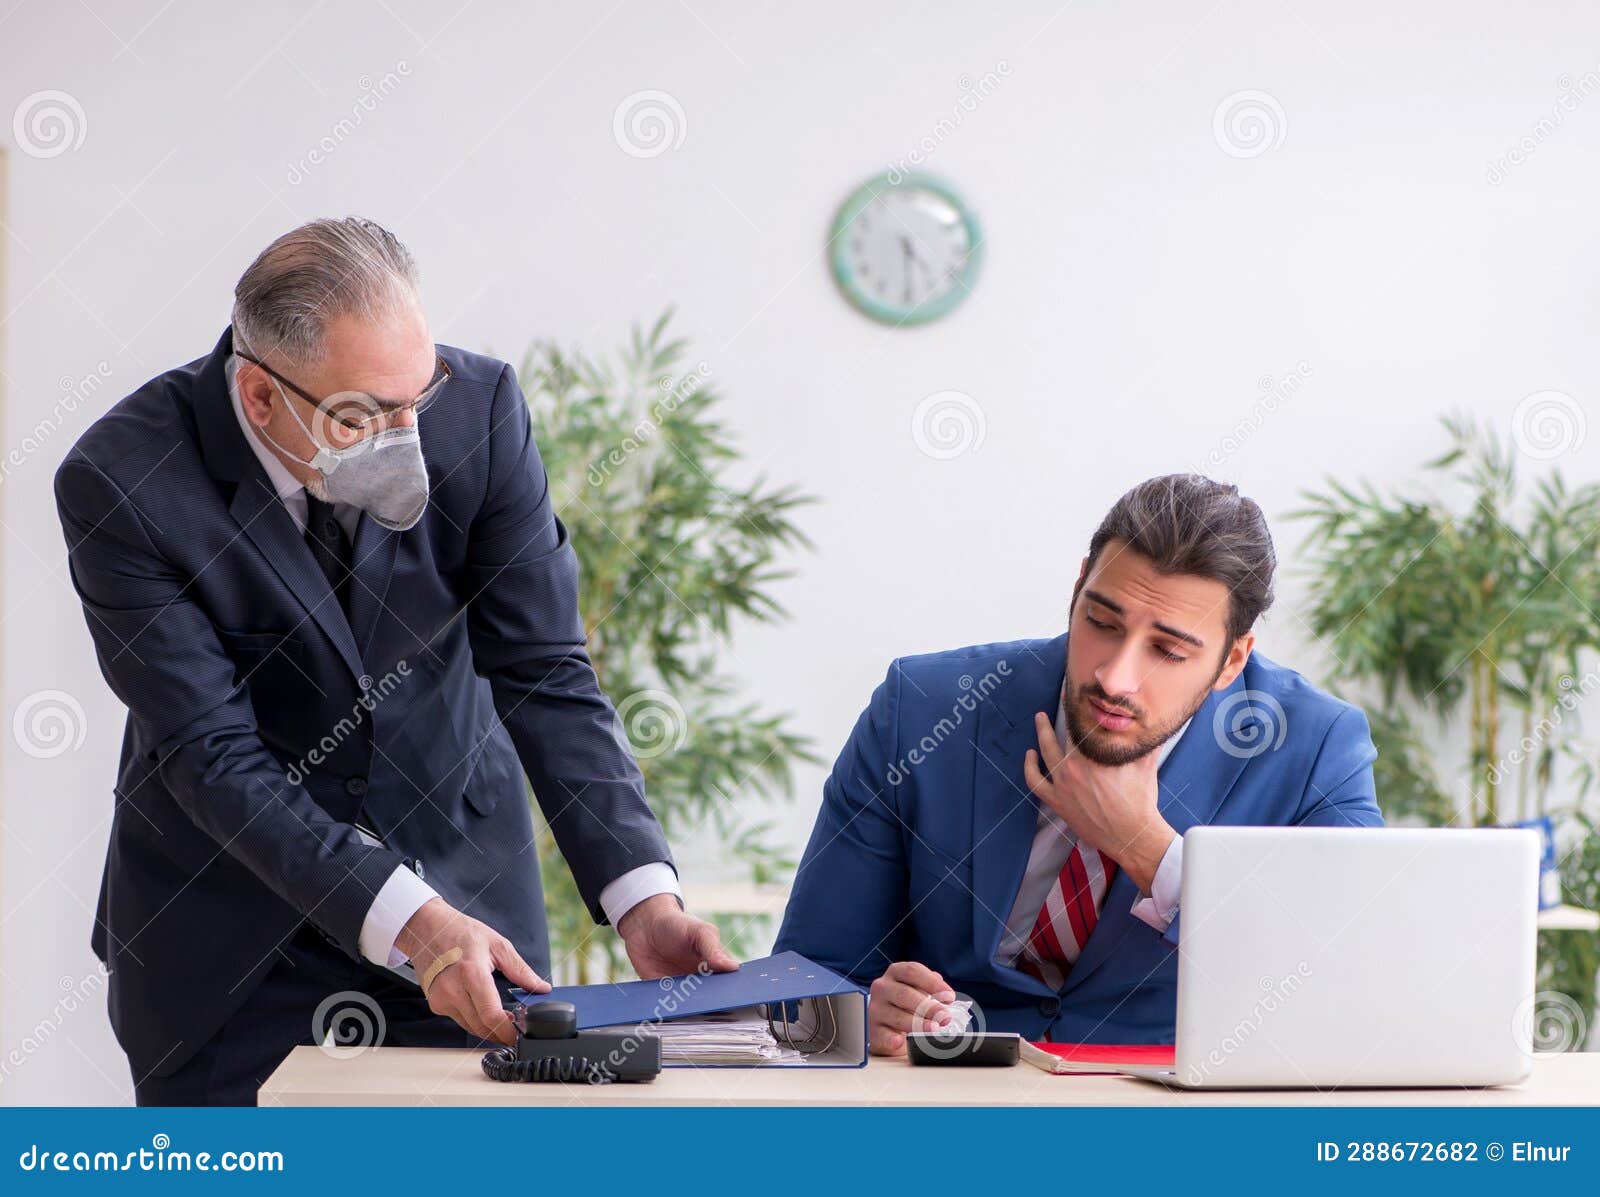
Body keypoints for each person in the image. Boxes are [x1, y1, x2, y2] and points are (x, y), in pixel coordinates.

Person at [55, 217, 734, 1105]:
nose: (409, 435)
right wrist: (409, 919)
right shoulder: (126, 481)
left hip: (470, 911)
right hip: (233, 935)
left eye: (421, 394)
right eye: (368, 413)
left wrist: (643, 898)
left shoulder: (478, 410)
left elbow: (545, 669)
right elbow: (209, 754)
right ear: (260, 397)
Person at [774, 473, 1384, 1052]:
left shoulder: (1315, 748)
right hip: (950, 1105)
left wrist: (1146, 847)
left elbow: (1351, 985)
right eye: (1101, 621)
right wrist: (861, 1017)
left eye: (1168, 651)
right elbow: (800, 988)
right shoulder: (925, 710)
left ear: (1232, 660)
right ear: (1078, 588)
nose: (1115, 677)